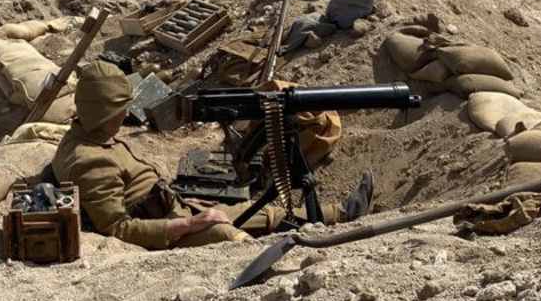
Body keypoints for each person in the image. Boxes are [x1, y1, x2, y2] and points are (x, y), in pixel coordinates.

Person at [53, 61, 372, 249]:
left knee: (250, 210)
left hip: (171, 208)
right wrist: (189, 225)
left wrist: (190, 211)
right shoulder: (90, 161)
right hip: (165, 231)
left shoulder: (90, 137)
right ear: (101, 113)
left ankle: (342, 214)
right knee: (227, 235)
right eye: (117, 111)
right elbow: (119, 230)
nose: (124, 117)